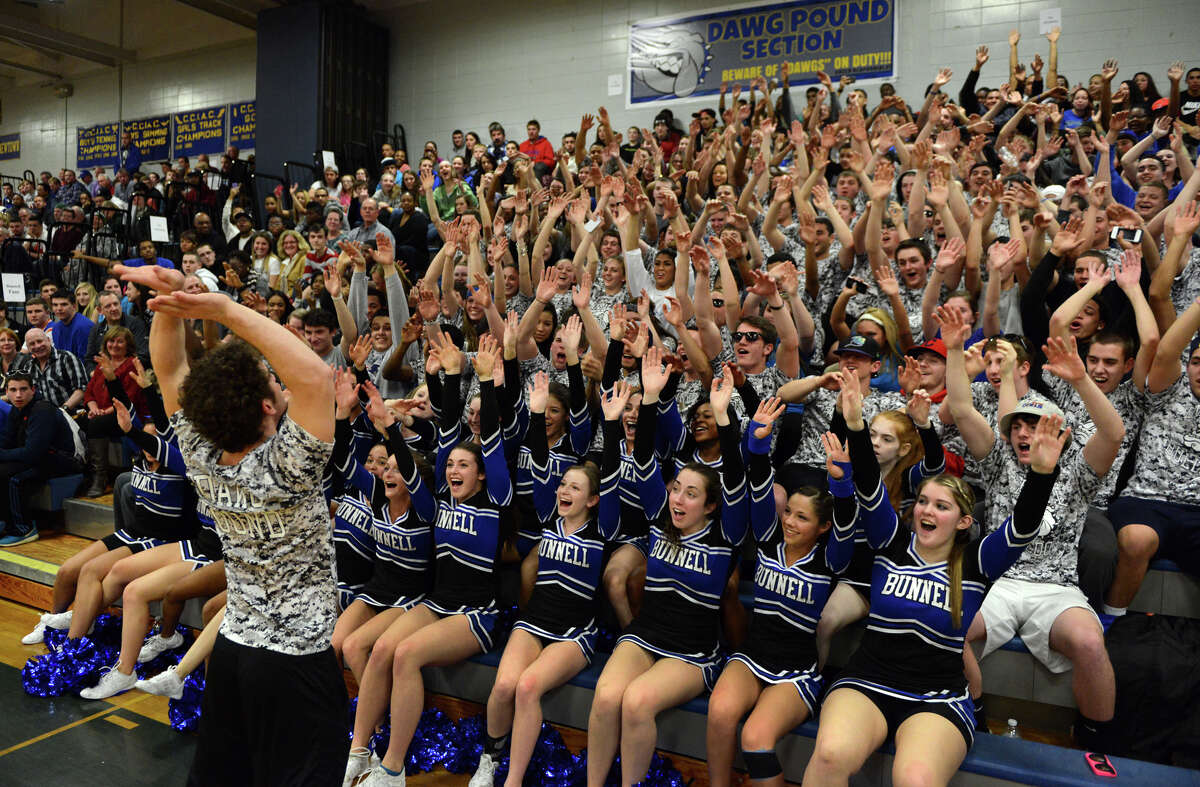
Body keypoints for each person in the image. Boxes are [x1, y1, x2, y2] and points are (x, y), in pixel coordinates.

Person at [111, 259, 345, 785]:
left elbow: (169, 372)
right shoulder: (290, 464)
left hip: (236, 650)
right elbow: (314, 375)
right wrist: (221, 308)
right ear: (268, 405)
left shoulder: (200, 453)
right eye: (269, 380)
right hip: (298, 663)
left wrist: (170, 306)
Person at [801, 366, 1062, 787]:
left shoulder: (977, 562)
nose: (926, 510)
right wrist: (854, 423)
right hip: (867, 681)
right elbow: (868, 488)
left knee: (916, 780)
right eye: (923, 501)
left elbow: (1023, 526)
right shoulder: (892, 542)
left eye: (942, 506)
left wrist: (1041, 477)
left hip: (935, 697)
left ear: (962, 521)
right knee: (830, 757)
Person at [350, 332, 512, 786]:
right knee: (380, 648)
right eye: (450, 465)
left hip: (477, 614)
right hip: (438, 603)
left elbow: (490, 442)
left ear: (480, 474)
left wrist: (477, 383)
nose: (454, 470)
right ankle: (358, 751)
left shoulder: (495, 500)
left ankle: (393, 768)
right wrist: (387, 429)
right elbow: (415, 456)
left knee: (404, 654)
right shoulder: (437, 503)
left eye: (464, 465)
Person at [586, 354, 748, 787]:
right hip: (646, 634)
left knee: (637, 702)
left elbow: (734, 477)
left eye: (691, 494)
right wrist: (651, 397)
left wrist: (723, 418)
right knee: (605, 696)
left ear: (711, 505)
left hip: (693, 652)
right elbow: (642, 466)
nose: (677, 499)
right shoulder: (661, 519)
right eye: (676, 489)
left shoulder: (724, 535)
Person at [469, 375, 623, 787]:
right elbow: (538, 463)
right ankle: (490, 759)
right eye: (563, 485)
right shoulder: (548, 516)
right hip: (535, 620)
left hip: (575, 632)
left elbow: (608, 475)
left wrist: (610, 424)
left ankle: (513, 781)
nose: (564, 491)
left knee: (527, 687)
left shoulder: (602, 527)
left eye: (575, 487)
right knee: (503, 686)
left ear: (592, 498)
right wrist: (536, 415)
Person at [705, 396, 856, 787]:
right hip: (753, 657)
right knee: (720, 713)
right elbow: (757, 487)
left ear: (822, 528)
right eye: (789, 511)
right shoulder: (770, 539)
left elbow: (847, 521)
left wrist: (842, 484)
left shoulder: (830, 560)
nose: (789, 521)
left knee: (756, 737)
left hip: (795, 672)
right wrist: (757, 444)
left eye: (802, 518)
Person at [1105, 293, 1200, 613]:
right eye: (1197, 362)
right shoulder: (1170, 389)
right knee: (1136, 540)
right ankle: (1110, 622)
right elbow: (1165, 353)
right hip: (1147, 502)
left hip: (1197, 511)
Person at [0, 371, 83, 546]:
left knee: (14, 477)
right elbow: (7, 441)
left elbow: (33, 452)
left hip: (65, 460)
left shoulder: (42, 410)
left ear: (33, 389)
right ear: (6, 392)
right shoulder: (17, 409)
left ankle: (25, 529)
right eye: (13, 390)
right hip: (42, 457)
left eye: (23, 389)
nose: (18, 395)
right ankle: (4, 522)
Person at [48, 290, 96, 361]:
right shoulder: (56, 328)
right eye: (55, 305)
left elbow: (85, 360)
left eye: (64, 304)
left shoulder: (84, 326)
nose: (59, 309)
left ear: (74, 306)